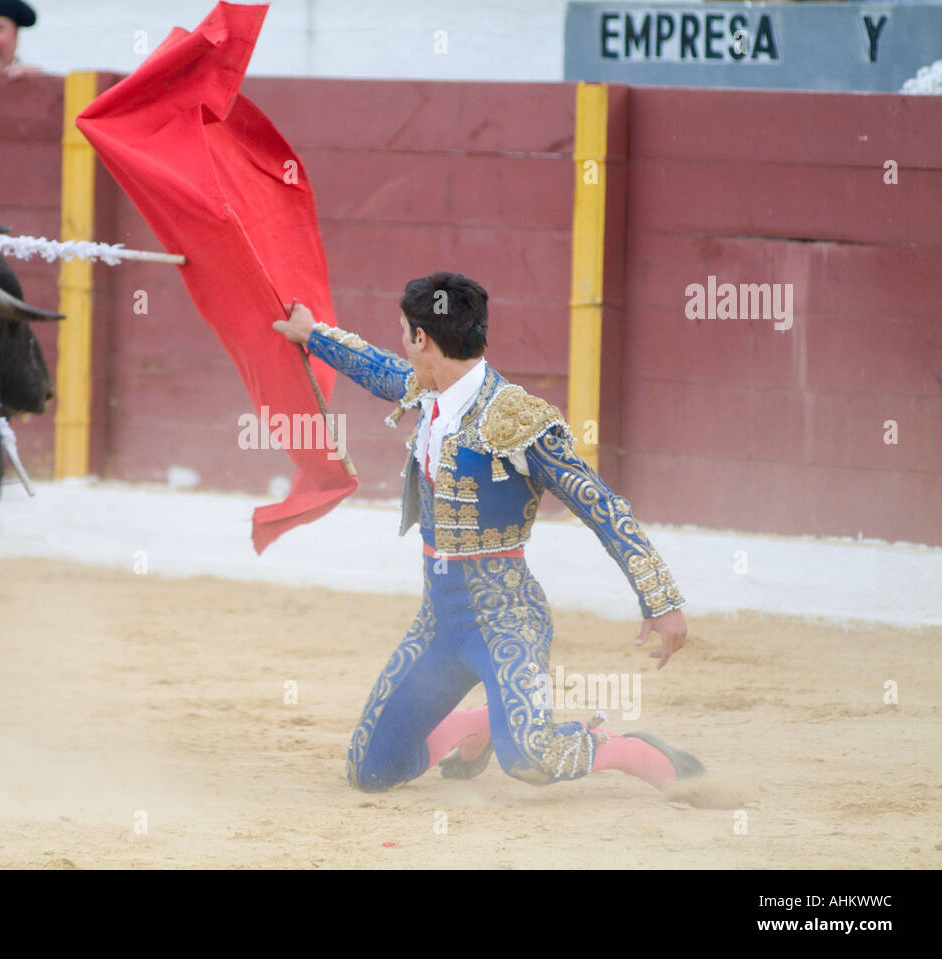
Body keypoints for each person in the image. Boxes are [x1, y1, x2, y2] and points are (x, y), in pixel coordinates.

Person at [272, 273, 705, 793]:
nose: (402, 348)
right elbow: (380, 370)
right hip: (439, 622)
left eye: (404, 333)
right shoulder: (426, 388)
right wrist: (311, 334)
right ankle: (474, 725)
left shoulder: (517, 419)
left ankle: (632, 751)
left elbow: (600, 505)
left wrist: (659, 599)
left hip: (507, 621)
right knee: (371, 770)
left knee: (529, 759)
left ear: (421, 339)